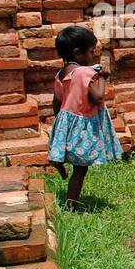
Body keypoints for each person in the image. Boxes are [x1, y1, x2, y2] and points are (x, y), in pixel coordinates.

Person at [47, 25, 123, 208]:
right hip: (83, 123)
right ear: (78, 53)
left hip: (67, 120)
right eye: (91, 51)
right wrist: (103, 77)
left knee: (76, 162)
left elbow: (56, 102)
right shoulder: (85, 72)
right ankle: (71, 203)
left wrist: (62, 125)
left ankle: (57, 159)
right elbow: (97, 97)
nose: (93, 56)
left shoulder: (61, 73)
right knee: (81, 168)